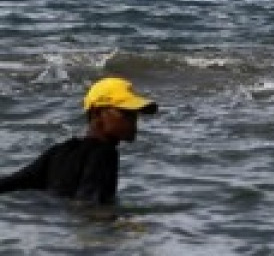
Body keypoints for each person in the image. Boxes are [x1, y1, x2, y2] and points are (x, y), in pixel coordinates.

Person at [0, 77, 158, 205]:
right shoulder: (106, 154)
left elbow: (10, 184)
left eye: (135, 114)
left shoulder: (59, 151)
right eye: (126, 114)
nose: (134, 121)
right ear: (97, 114)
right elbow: (87, 204)